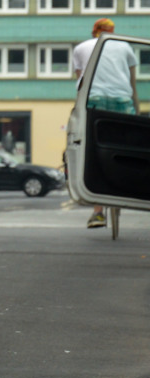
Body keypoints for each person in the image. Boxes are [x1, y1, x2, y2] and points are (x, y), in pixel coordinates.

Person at [72, 17, 139, 228]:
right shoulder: (124, 46)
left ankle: (98, 211)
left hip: (94, 100)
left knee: (92, 149)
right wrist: (134, 109)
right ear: (112, 31)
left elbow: (81, 82)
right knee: (123, 147)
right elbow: (131, 82)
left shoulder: (81, 48)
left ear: (94, 31)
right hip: (121, 99)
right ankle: (123, 192)